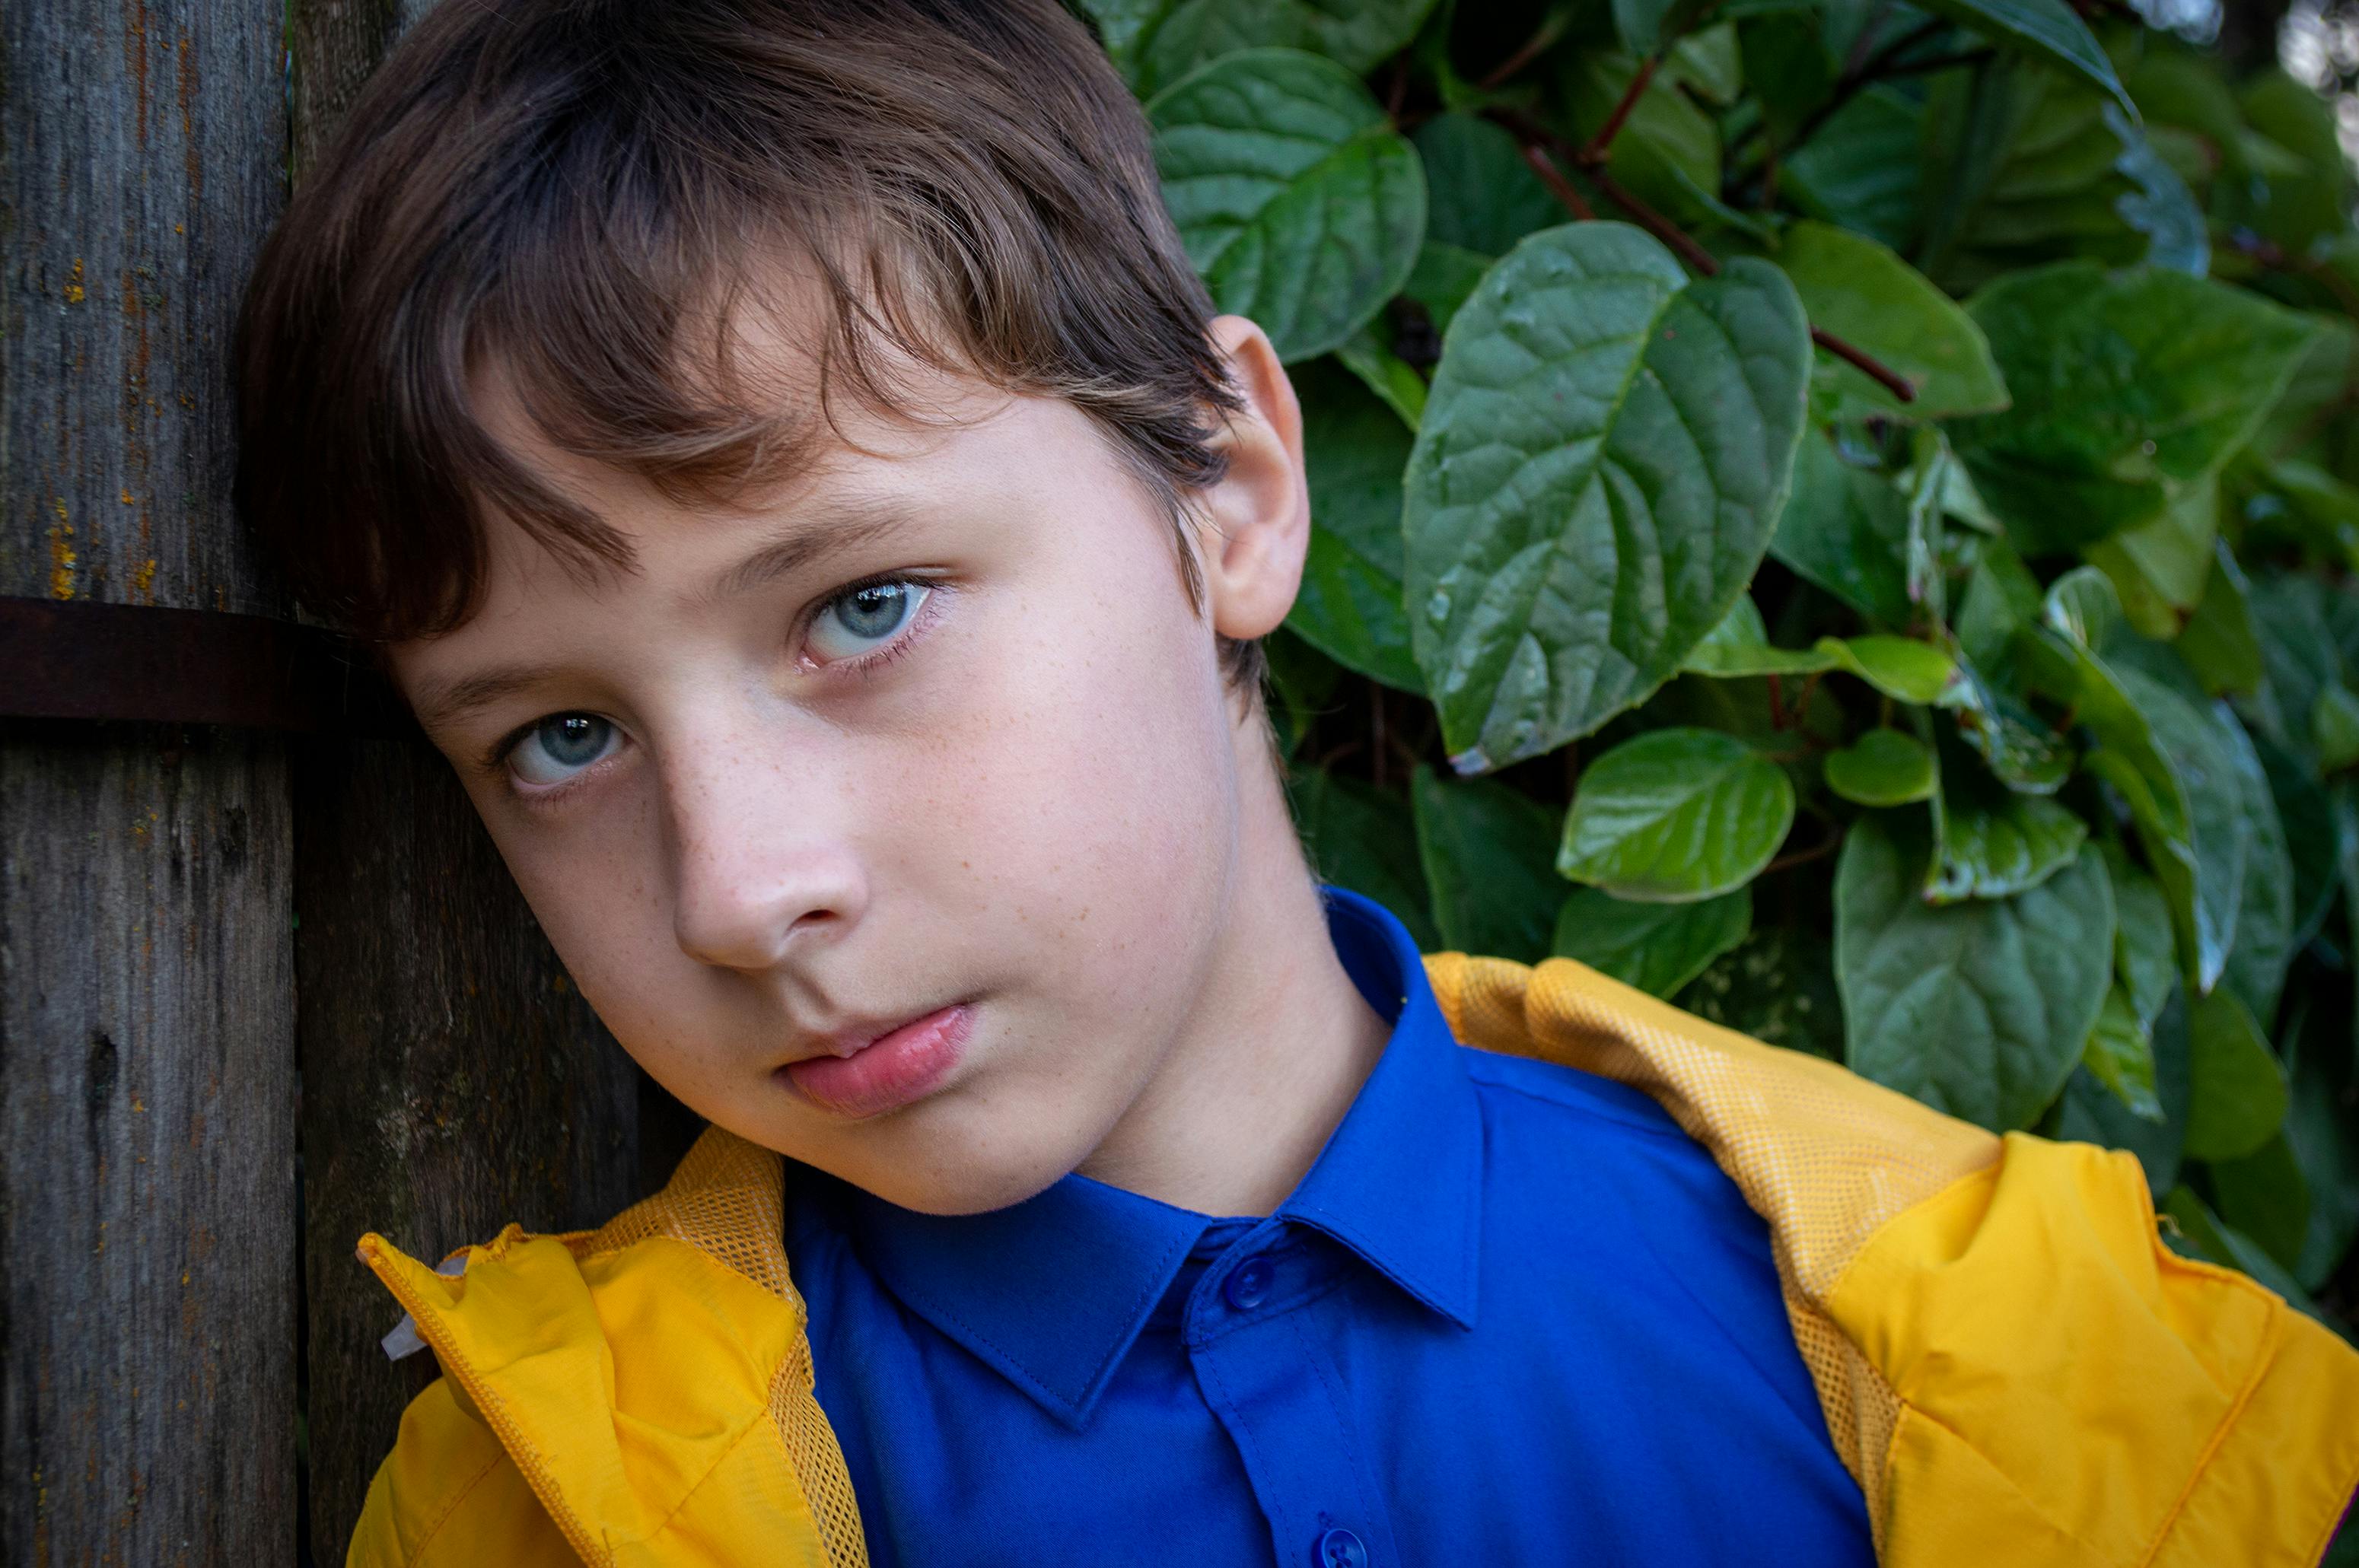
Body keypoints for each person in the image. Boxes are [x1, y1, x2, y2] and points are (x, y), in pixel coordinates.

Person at [234, 2, 2359, 1563]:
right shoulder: (537, 1509)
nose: (737, 890)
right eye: (563, 737)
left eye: (863, 606)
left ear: (1232, 492)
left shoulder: (1991, 1364)